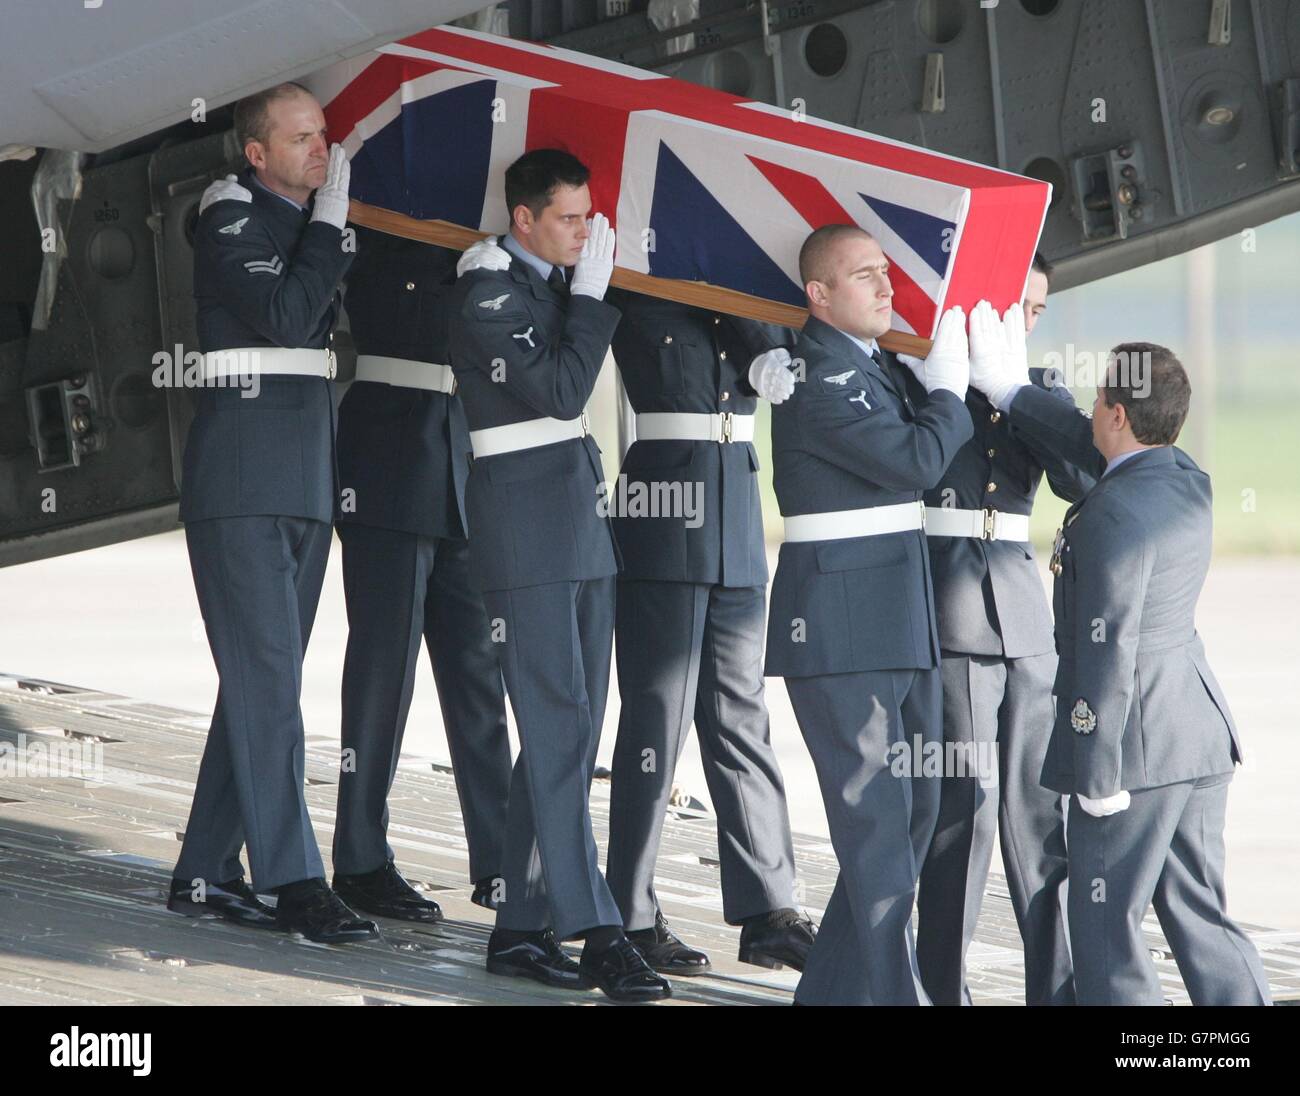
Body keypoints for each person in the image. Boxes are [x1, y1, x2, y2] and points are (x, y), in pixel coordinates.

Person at [970, 339, 1273, 1006]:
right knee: (1200, 914)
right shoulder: (1184, 477)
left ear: (1112, 414)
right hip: (1194, 733)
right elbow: (1096, 444)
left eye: (1097, 403)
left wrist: (1095, 768)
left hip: (1131, 753)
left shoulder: (1111, 515)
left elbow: (1107, 653)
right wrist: (1014, 392)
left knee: (1108, 927)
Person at [446, 149, 669, 1002]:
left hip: (576, 527)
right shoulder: (489, 293)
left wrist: (578, 297)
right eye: (569, 219)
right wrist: (589, 302)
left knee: (568, 730)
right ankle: (596, 927)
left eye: (589, 215)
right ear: (525, 219)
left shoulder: (534, 287)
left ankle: (519, 925)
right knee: (558, 728)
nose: (585, 230)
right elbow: (562, 389)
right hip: (525, 533)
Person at [167, 82, 377, 943]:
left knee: (265, 683)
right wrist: (329, 228)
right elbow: (290, 317)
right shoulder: (227, 217)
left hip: (300, 479)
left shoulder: (297, 226)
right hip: (244, 483)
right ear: (255, 155)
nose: (319, 150)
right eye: (299, 139)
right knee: (267, 684)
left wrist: (323, 228)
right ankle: (294, 878)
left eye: (322, 135)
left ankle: (209, 871)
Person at [765, 224, 972, 1004]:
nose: (887, 289)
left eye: (885, 272)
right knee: (878, 829)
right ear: (818, 296)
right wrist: (948, 389)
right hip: (844, 629)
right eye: (865, 277)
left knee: (912, 813)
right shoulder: (818, 376)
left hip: (892, 619)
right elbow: (917, 461)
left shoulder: (872, 365)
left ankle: (830, 995)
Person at [602, 289, 815, 975]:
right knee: (655, 719)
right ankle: (628, 912)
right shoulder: (639, 273)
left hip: (736, 507)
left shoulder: (752, 284)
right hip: (666, 508)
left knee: (742, 714)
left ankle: (769, 911)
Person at [913, 254, 1091, 1005]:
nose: (1025, 320)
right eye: (1017, 303)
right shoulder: (926, 368)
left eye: (1039, 310)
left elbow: (1085, 477)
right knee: (965, 807)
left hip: (1021, 609)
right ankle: (941, 991)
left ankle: (1058, 993)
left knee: (1039, 812)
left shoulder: (1040, 389)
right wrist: (954, 384)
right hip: (951, 599)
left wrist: (1013, 392)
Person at [327, 226, 514, 920]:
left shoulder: (485, 243)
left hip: (461, 472)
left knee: (479, 680)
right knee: (382, 674)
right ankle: (360, 859)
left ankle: (500, 866)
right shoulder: (382, 232)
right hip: (392, 463)